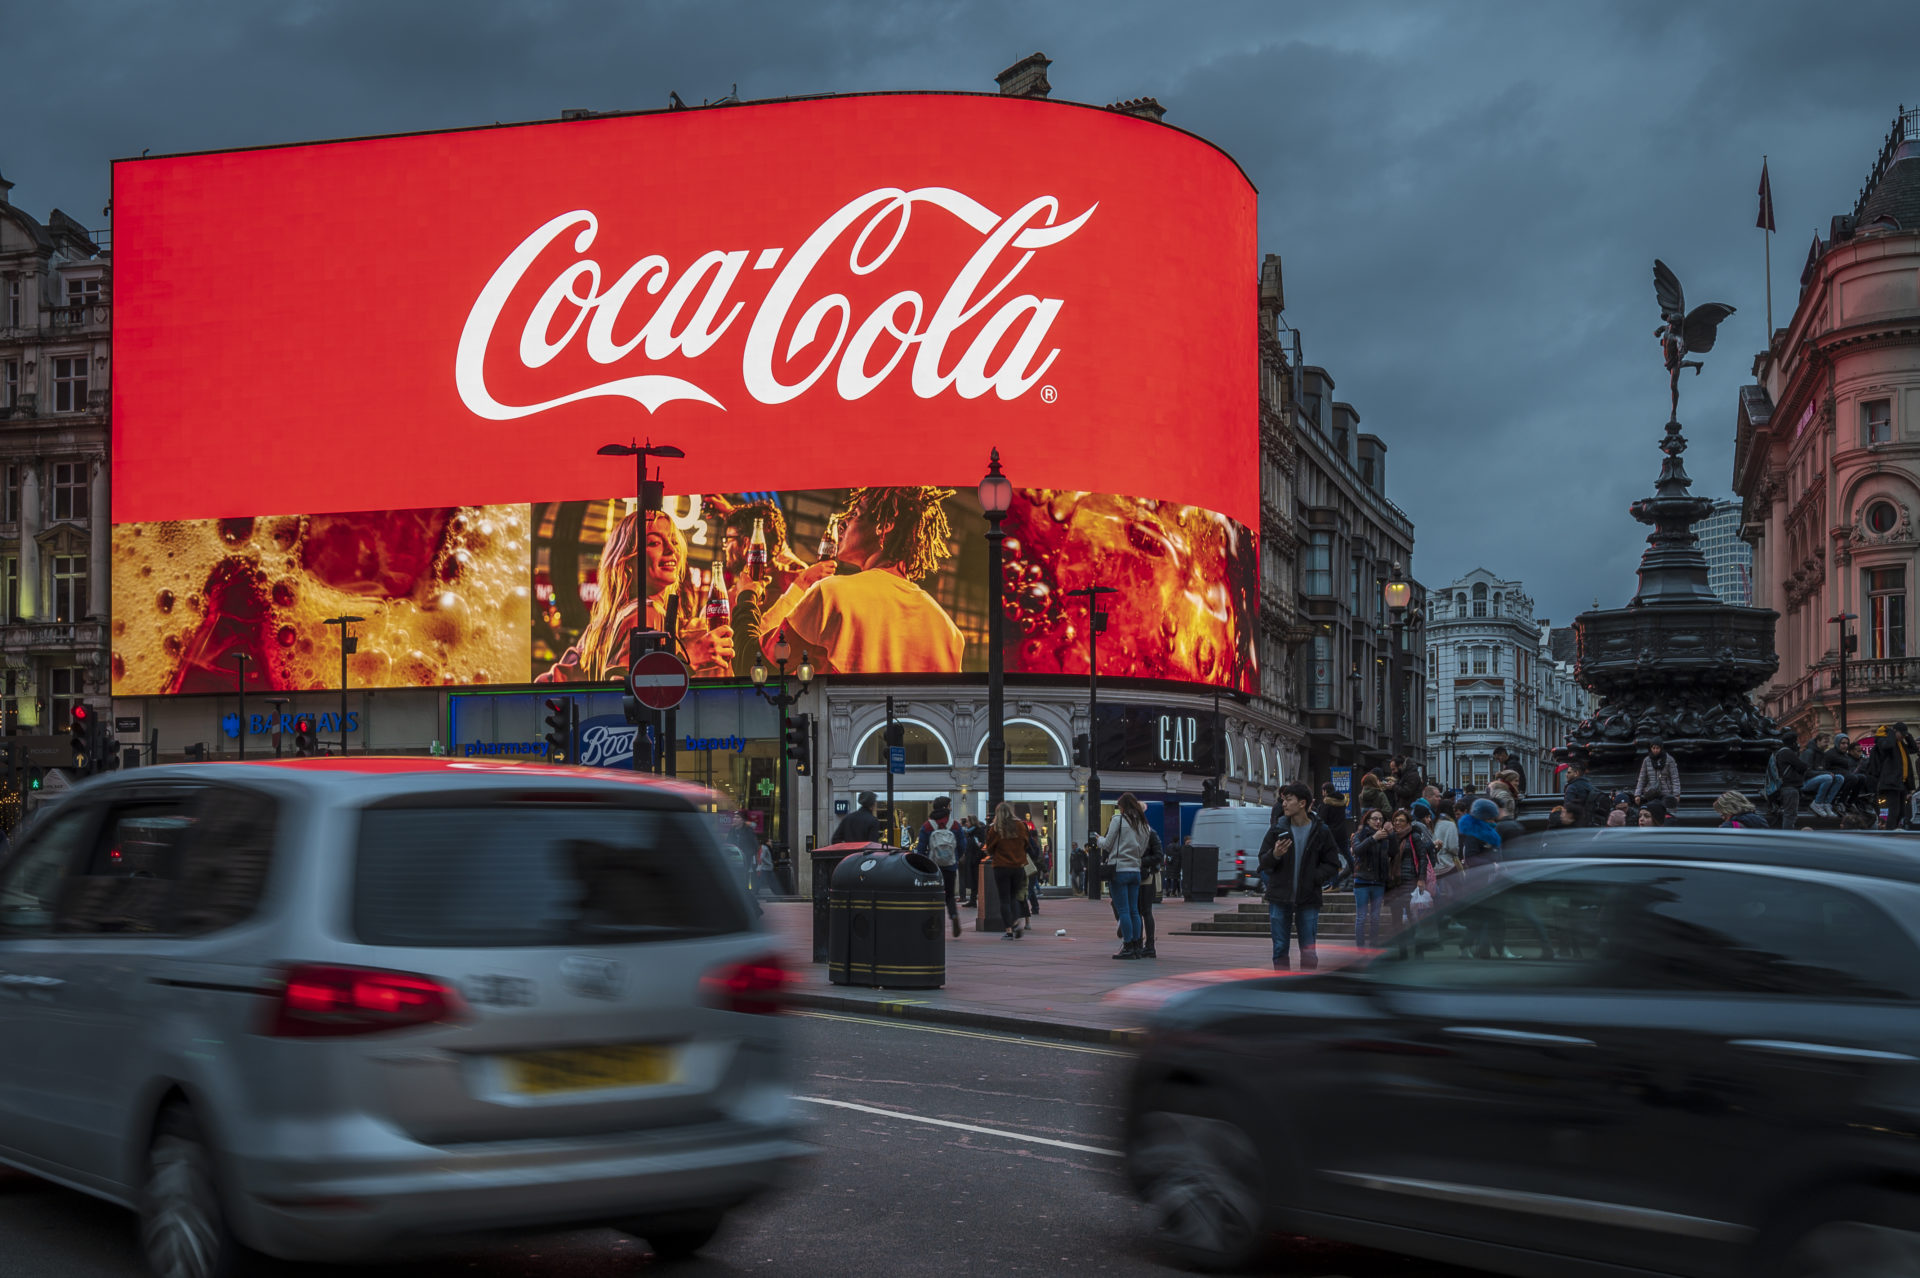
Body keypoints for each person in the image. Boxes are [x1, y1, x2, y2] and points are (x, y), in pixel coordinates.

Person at [755, 486, 965, 674]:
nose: (843, 522)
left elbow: (761, 664)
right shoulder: (948, 632)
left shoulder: (832, 595)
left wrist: (754, 596)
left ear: (885, 525)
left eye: (855, 514)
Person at [538, 509, 735, 681]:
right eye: (654, 543)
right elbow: (626, 694)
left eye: (674, 541)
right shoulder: (646, 612)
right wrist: (688, 660)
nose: (671, 549)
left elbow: (550, 684)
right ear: (627, 562)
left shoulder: (600, 628)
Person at [717, 500, 812, 678]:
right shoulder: (803, 580)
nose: (725, 547)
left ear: (746, 543)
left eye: (728, 540)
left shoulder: (730, 599)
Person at [1257, 784, 1344, 969]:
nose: (1284, 804)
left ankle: (1306, 988)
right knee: (1280, 947)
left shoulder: (1321, 831)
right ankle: (1283, 988)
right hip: (1280, 897)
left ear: (1302, 803)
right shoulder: (1277, 829)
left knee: (1308, 950)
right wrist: (1275, 855)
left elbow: (1333, 863)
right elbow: (1262, 862)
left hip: (1308, 897)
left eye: (1289, 800)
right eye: (1283, 800)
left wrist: (1315, 877)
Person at [1100, 794, 1151, 959]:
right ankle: (1137, 946)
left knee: (1123, 911)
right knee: (1134, 910)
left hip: (1119, 869)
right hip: (1135, 870)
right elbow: (1142, 849)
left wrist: (1097, 839)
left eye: (1119, 806)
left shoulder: (1118, 820)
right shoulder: (1144, 824)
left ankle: (1127, 946)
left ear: (1122, 806)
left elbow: (1107, 844)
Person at [915, 796, 966, 939]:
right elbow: (962, 846)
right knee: (949, 895)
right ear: (945, 807)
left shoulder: (927, 825)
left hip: (932, 867)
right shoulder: (955, 825)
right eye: (949, 805)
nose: (951, 807)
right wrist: (955, 857)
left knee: (932, 896)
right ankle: (954, 915)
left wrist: (924, 863)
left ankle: (934, 923)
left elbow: (921, 849)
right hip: (950, 865)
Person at [982, 802, 1033, 939]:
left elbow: (990, 848)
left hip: (1001, 866)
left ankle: (1009, 930)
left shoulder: (995, 828)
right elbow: (1027, 843)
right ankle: (1017, 920)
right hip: (1018, 866)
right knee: (1014, 896)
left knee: (1004, 899)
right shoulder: (1021, 826)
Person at [1766, 729, 1809, 827]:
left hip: (1783, 787)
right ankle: (1788, 836)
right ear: (1793, 742)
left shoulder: (1779, 753)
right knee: (1790, 815)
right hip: (1790, 787)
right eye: (1796, 741)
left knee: (1788, 814)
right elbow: (1802, 767)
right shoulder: (1787, 753)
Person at [1634, 738, 1682, 807]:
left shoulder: (1669, 760)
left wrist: (1676, 794)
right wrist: (1637, 794)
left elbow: (1675, 778)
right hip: (1651, 793)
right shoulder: (1647, 760)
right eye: (1653, 748)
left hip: (1666, 793)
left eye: (1657, 748)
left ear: (1661, 748)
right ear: (1650, 748)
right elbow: (1642, 778)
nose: (1655, 750)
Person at [1562, 758, 1603, 827]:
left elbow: (1568, 807)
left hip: (1576, 824)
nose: (1566, 775)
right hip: (1589, 822)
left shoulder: (1572, 787)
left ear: (1576, 773)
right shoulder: (1589, 785)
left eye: (1569, 772)